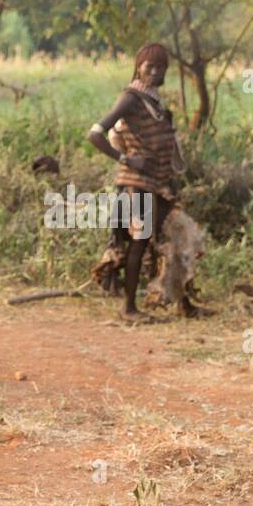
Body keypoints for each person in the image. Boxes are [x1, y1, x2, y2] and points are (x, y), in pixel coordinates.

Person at [87, 42, 208, 320]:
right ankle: (128, 308)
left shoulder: (153, 99)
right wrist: (126, 159)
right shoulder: (131, 97)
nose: (154, 72)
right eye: (148, 66)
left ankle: (184, 303)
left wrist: (169, 180)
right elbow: (94, 134)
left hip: (157, 184)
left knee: (181, 235)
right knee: (139, 242)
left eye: (160, 67)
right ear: (138, 68)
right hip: (136, 183)